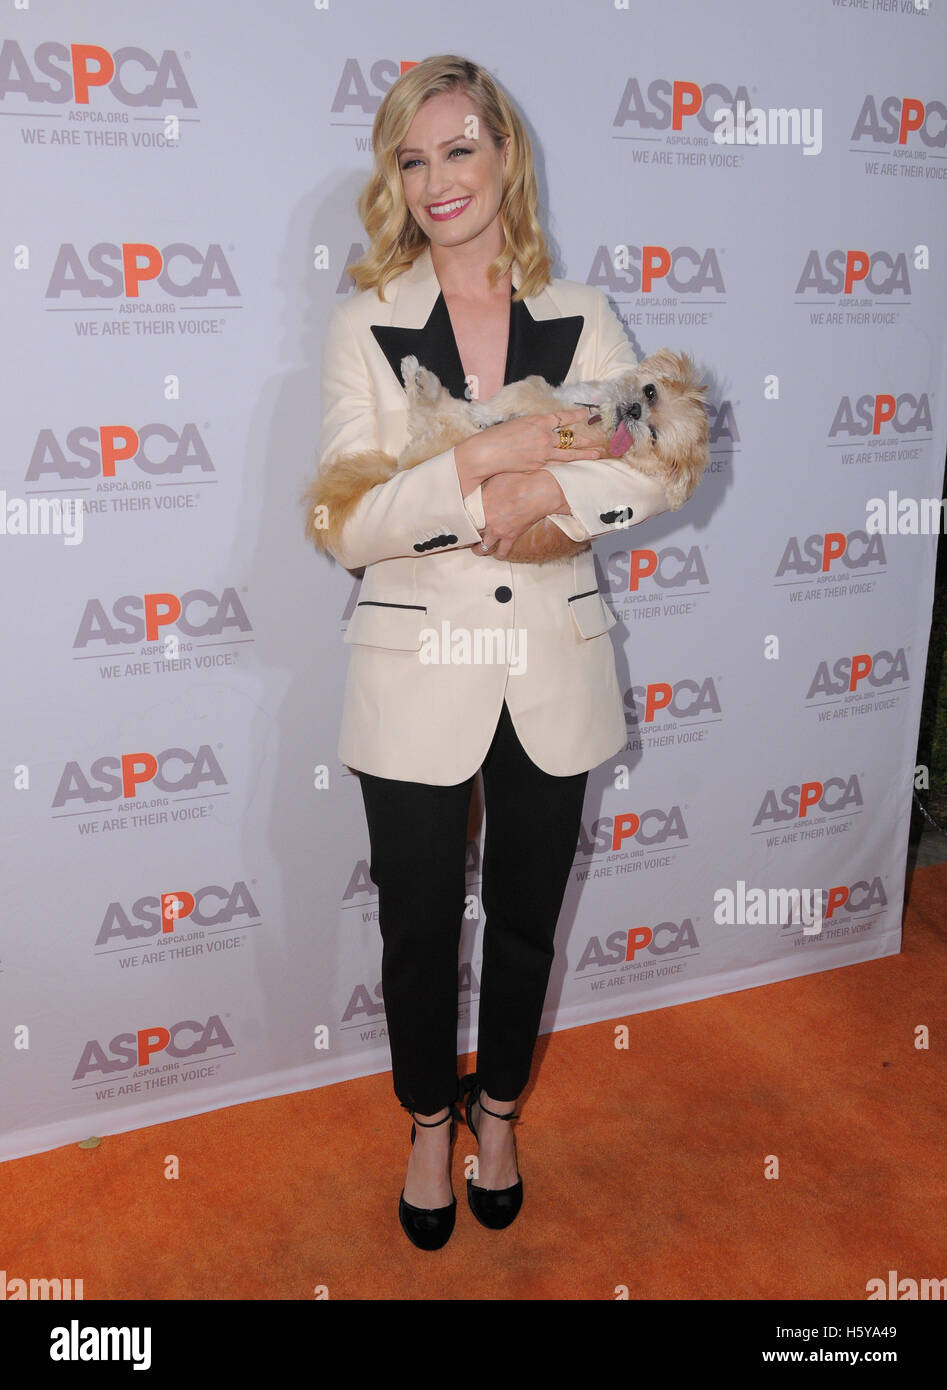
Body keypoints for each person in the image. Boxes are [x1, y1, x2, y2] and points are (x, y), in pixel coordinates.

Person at [313, 55, 671, 1249]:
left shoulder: (583, 316)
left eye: (457, 148)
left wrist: (547, 502)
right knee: (415, 924)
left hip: (551, 664)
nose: (434, 180)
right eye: (411, 159)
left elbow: (648, 462)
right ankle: (426, 1117)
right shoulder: (364, 323)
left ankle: (498, 1108)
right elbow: (343, 521)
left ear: (504, 154)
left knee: (524, 918)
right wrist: (480, 462)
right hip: (413, 667)